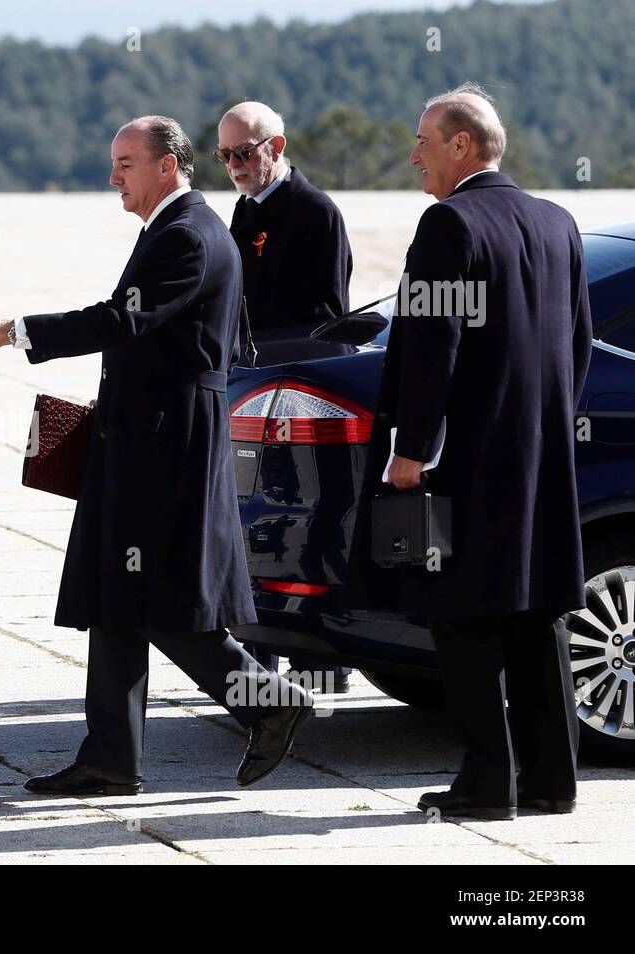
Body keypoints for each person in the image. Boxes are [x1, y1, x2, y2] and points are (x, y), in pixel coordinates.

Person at [0, 116, 312, 796]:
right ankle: (112, 757)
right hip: (153, 439)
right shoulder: (187, 230)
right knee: (121, 597)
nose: (114, 176)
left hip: (165, 450)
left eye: (125, 163)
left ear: (167, 166)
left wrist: (11, 333)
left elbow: (121, 319)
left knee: (158, 601)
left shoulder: (186, 237)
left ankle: (265, 703)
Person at [369, 83, 591, 820]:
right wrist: (550, 422)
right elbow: (579, 344)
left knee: (463, 623)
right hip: (543, 460)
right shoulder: (559, 223)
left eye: (424, 143)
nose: (414, 157)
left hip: (467, 462)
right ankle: (553, 783)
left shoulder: (449, 225)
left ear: (462, 145)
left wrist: (412, 448)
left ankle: (487, 785)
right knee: (537, 621)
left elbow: (436, 346)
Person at [217, 101, 355, 691]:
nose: (235, 166)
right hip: (252, 392)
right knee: (256, 528)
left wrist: (258, 354)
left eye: (244, 153)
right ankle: (260, 658)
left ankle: (321, 667)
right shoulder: (246, 209)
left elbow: (327, 319)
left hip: (303, 397)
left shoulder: (314, 212)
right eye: (224, 156)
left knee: (309, 525)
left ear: (277, 145)